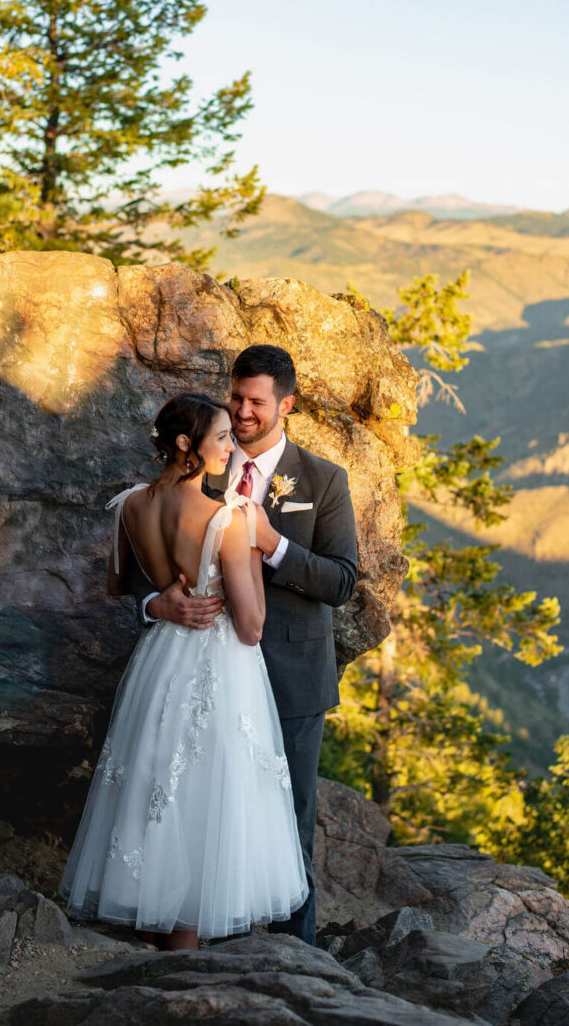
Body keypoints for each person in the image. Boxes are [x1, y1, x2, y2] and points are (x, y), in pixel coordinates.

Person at [58, 393, 308, 949]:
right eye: (220, 437)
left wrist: (161, 603)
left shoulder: (130, 505)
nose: (229, 445)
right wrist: (249, 550)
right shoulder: (227, 520)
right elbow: (251, 626)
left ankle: (164, 936)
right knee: (205, 790)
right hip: (218, 664)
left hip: (161, 656)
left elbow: (118, 586)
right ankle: (184, 957)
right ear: (184, 445)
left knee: (158, 781)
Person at [140, 346, 358, 946]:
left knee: (290, 822)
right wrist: (156, 605)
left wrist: (275, 545)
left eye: (256, 401)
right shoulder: (198, 461)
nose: (241, 412)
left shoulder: (324, 480)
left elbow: (342, 581)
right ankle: (199, 945)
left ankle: (297, 957)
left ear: (286, 405)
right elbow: (143, 564)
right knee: (193, 806)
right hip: (202, 673)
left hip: (290, 675)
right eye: (235, 397)